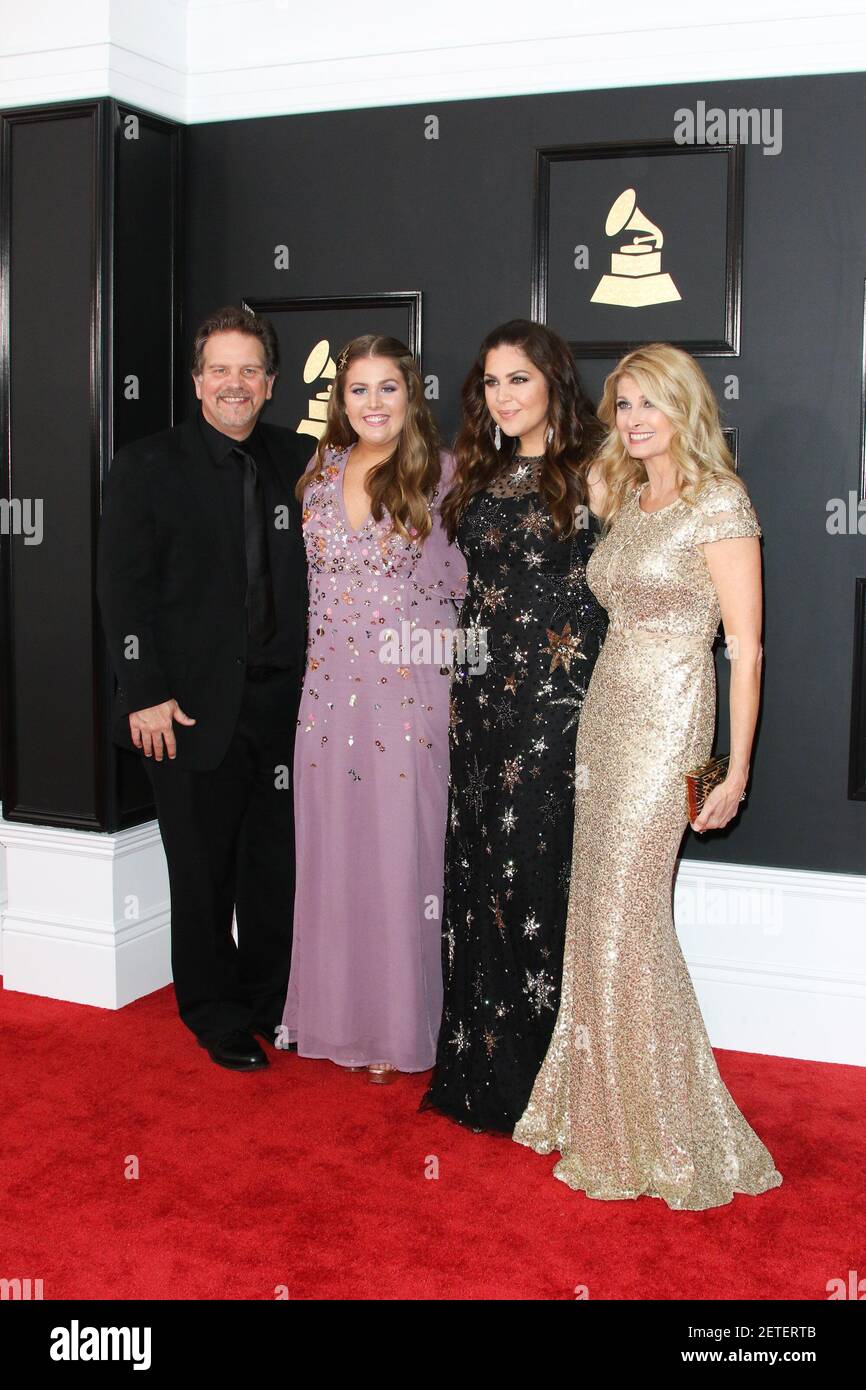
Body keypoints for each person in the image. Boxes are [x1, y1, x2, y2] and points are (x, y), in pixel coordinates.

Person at [513, 343, 783, 1209]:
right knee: (598, 910)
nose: (630, 419)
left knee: (628, 915)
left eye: (647, 405)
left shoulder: (720, 502)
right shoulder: (624, 494)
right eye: (621, 404)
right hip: (605, 717)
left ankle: (664, 1126)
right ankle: (598, 1104)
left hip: (672, 721)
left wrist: (733, 768)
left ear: (684, 409)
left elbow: (745, 648)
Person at [97, 305, 311, 1071]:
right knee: (200, 870)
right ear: (196, 382)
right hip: (183, 710)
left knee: (272, 867)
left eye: (249, 369)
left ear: (271, 382)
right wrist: (141, 691)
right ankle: (213, 1013)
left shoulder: (304, 459)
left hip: (286, 708)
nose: (235, 383)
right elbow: (124, 591)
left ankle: (268, 1001)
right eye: (219, 369)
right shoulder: (146, 465)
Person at [419, 320, 607, 1132]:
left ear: (554, 383)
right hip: (482, 697)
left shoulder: (599, 469)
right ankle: (483, 1066)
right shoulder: (481, 472)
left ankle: (554, 1083)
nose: (502, 397)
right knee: (484, 871)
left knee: (541, 873)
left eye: (519, 380)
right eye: (491, 383)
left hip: (559, 704)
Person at [280, 335, 467, 1081]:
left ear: (411, 393)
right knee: (333, 852)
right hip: (326, 693)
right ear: (340, 399)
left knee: (400, 859)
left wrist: (454, 686)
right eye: (358, 390)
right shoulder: (319, 472)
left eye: (388, 388)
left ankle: (393, 1029)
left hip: (407, 694)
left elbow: (463, 591)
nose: (373, 404)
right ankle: (333, 1017)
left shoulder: (444, 474)